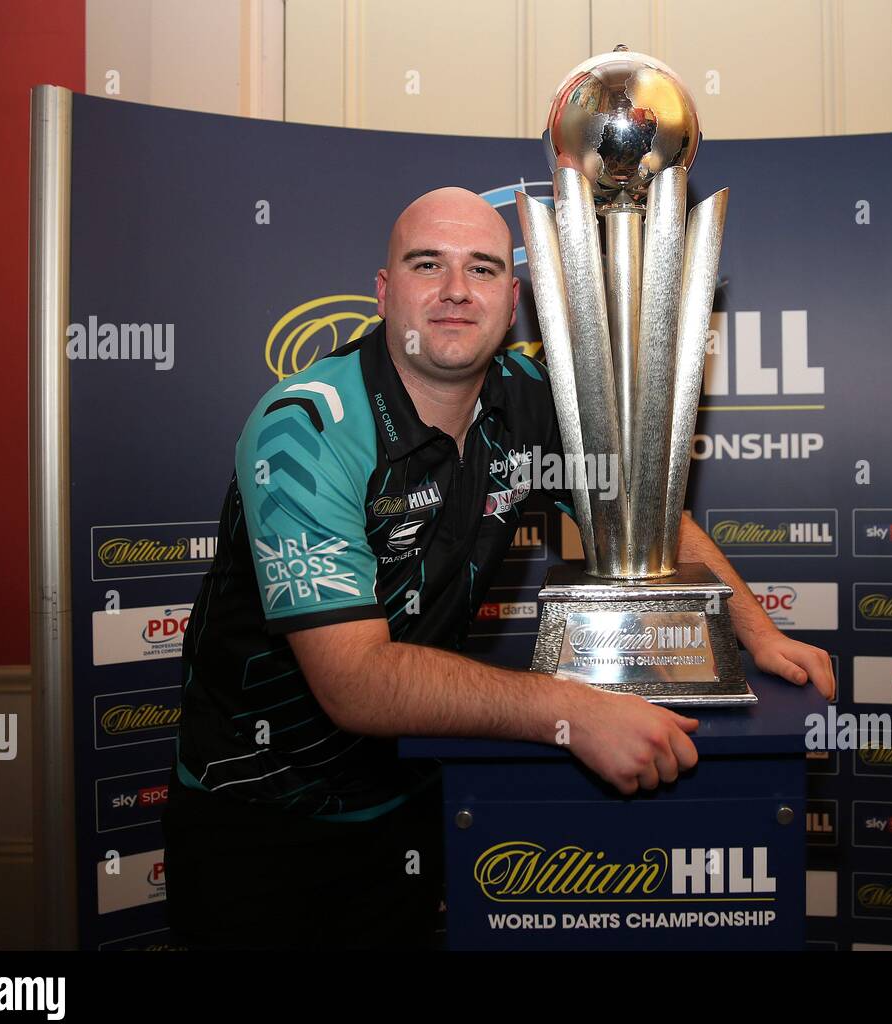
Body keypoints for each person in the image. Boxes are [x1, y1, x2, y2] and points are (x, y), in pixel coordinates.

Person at [162, 186, 835, 950]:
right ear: (385, 293)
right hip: (257, 822)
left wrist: (757, 632)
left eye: (482, 269)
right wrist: (572, 711)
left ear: (511, 301)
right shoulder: (307, 428)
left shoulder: (527, 401)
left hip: (408, 805)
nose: (456, 291)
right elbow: (354, 681)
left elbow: (645, 515)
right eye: (428, 265)